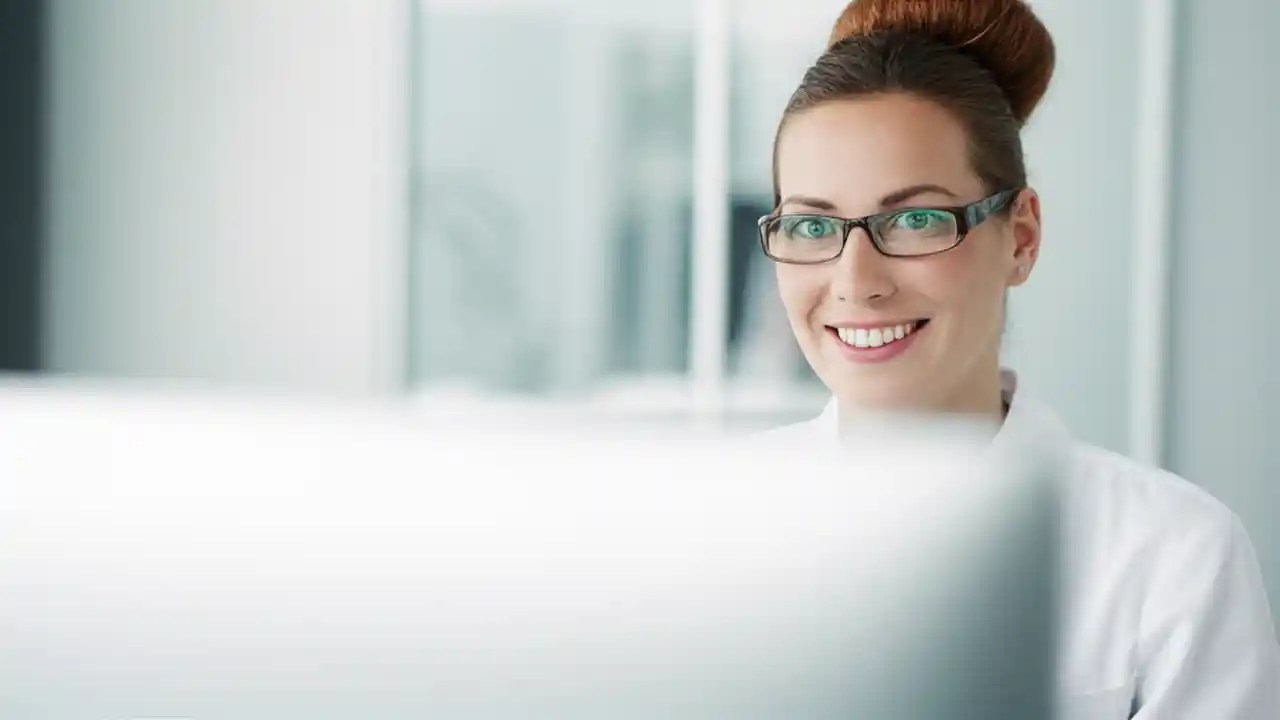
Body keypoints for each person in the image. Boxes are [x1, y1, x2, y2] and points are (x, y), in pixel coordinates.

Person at [759, 0, 1280, 717]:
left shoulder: (1169, 554)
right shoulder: (697, 526)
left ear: (1022, 237)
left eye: (915, 220)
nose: (857, 282)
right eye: (813, 225)